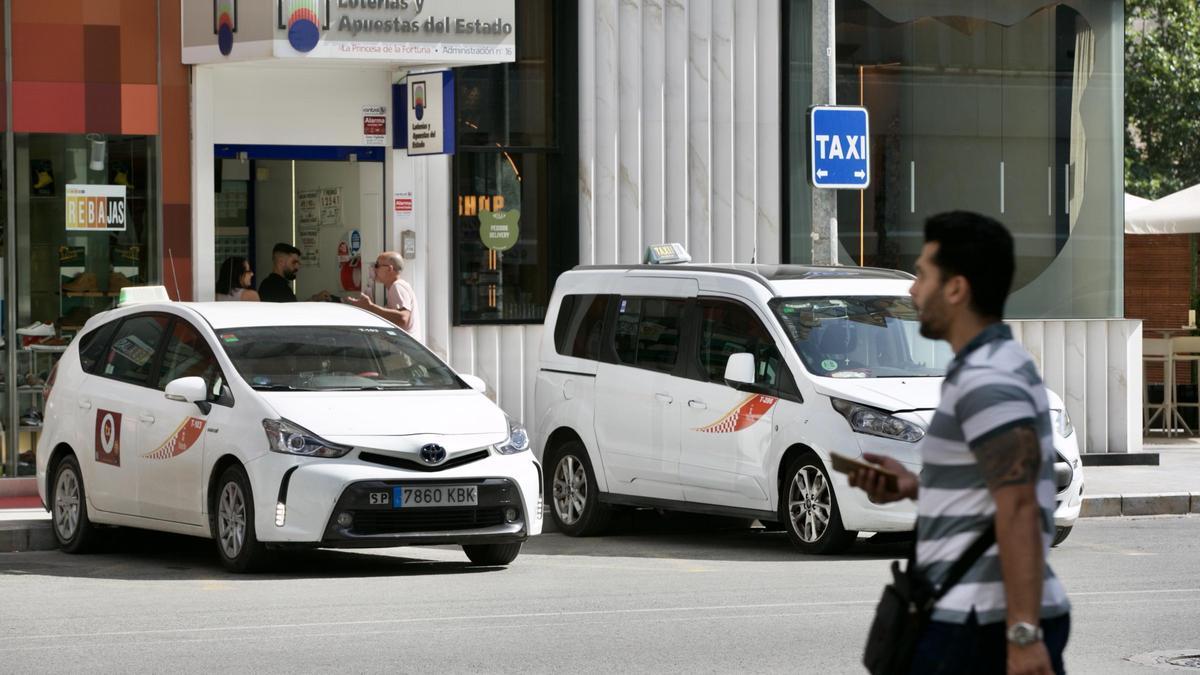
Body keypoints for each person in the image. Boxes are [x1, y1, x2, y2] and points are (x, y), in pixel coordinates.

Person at [847, 211, 1070, 675]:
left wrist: (1023, 634)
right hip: (968, 618)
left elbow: (1020, 506)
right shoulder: (986, 368)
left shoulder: (990, 379)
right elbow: (989, 499)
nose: (912, 289)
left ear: (956, 289)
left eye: (922, 275)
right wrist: (915, 488)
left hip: (982, 627)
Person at [343, 251, 421, 340]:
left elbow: (403, 319)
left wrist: (370, 307)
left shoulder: (397, 286)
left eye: (377, 265)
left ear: (389, 269)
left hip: (407, 349)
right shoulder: (396, 287)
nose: (374, 269)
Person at [257, 242, 332, 302]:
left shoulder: (269, 284)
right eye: (294, 262)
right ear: (281, 261)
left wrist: (315, 298)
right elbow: (294, 314)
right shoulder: (277, 288)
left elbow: (294, 309)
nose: (297, 267)